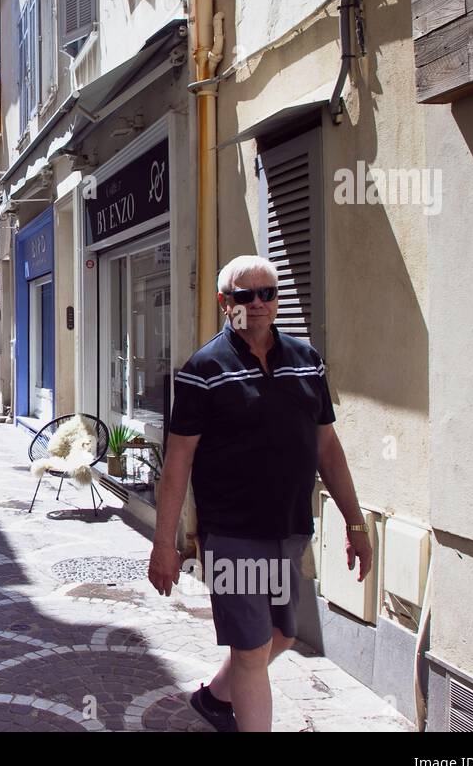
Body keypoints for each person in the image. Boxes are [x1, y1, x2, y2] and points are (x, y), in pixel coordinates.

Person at [146, 255, 372, 733]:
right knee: (250, 651)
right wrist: (164, 543)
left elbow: (327, 446)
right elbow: (177, 465)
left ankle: (213, 699)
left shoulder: (307, 361)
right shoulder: (202, 371)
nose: (258, 303)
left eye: (267, 293)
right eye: (245, 295)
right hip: (232, 533)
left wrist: (355, 523)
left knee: (281, 636)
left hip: (289, 527)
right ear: (224, 302)